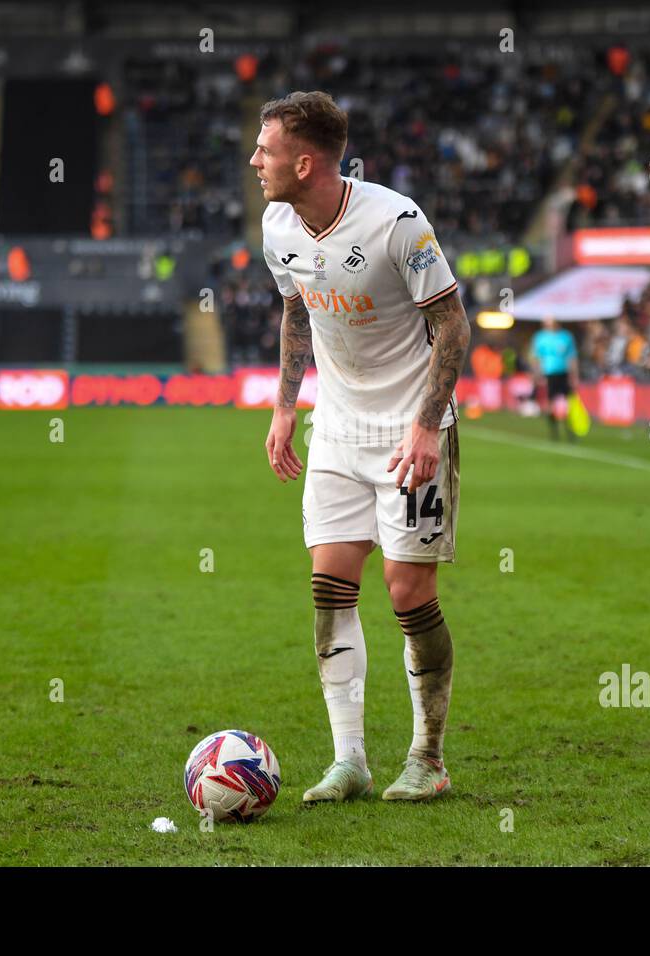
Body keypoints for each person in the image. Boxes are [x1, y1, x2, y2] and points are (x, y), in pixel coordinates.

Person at [255, 91, 470, 803]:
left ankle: (428, 757)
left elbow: (453, 326)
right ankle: (350, 762)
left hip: (410, 429)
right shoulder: (277, 225)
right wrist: (287, 407)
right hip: (337, 428)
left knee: (408, 596)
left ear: (305, 159)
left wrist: (427, 424)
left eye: (268, 149)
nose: (256, 160)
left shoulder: (396, 222)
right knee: (328, 590)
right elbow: (295, 310)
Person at [529, 317, 580, 440]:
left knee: (568, 403)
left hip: (564, 373)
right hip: (549, 374)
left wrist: (575, 375)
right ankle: (554, 432)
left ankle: (570, 431)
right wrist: (537, 374)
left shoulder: (566, 337)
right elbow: (536, 357)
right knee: (551, 403)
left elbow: (572, 358)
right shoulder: (540, 337)